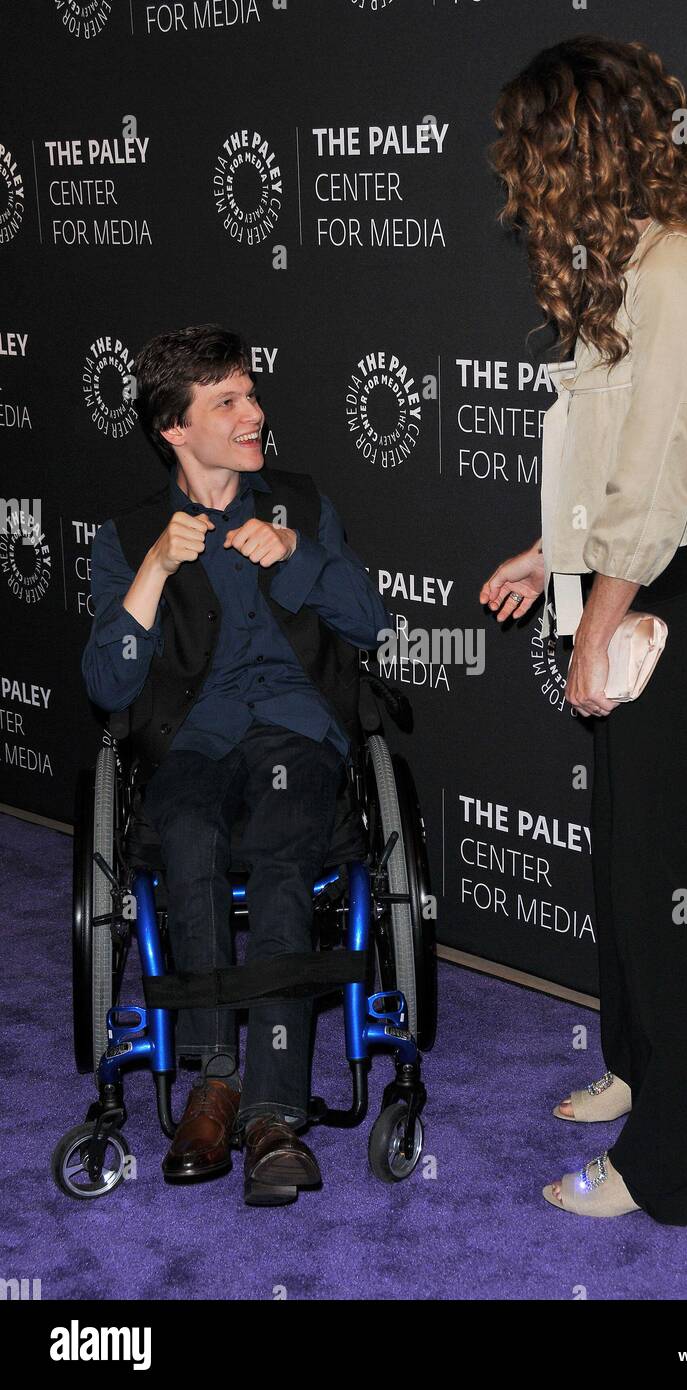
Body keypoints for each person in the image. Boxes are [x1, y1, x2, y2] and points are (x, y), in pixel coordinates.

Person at [480, 37, 687, 1224]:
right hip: (644, 575)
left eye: (531, 150)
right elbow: (614, 459)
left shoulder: (673, 267)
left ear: (578, 147)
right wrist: (549, 555)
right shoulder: (628, 262)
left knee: (656, 885)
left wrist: (592, 621)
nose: (518, 176)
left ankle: (674, 1165)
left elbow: (662, 485)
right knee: (621, 858)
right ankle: (635, 1064)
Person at [81, 324, 390, 1206]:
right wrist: (152, 569)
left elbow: (369, 623)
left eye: (250, 394)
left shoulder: (295, 499)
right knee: (183, 826)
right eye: (229, 402)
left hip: (296, 728)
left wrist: (299, 552)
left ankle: (271, 1112)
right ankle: (212, 1080)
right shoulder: (131, 534)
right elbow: (108, 684)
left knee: (289, 834)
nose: (255, 412)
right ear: (175, 429)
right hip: (194, 735)